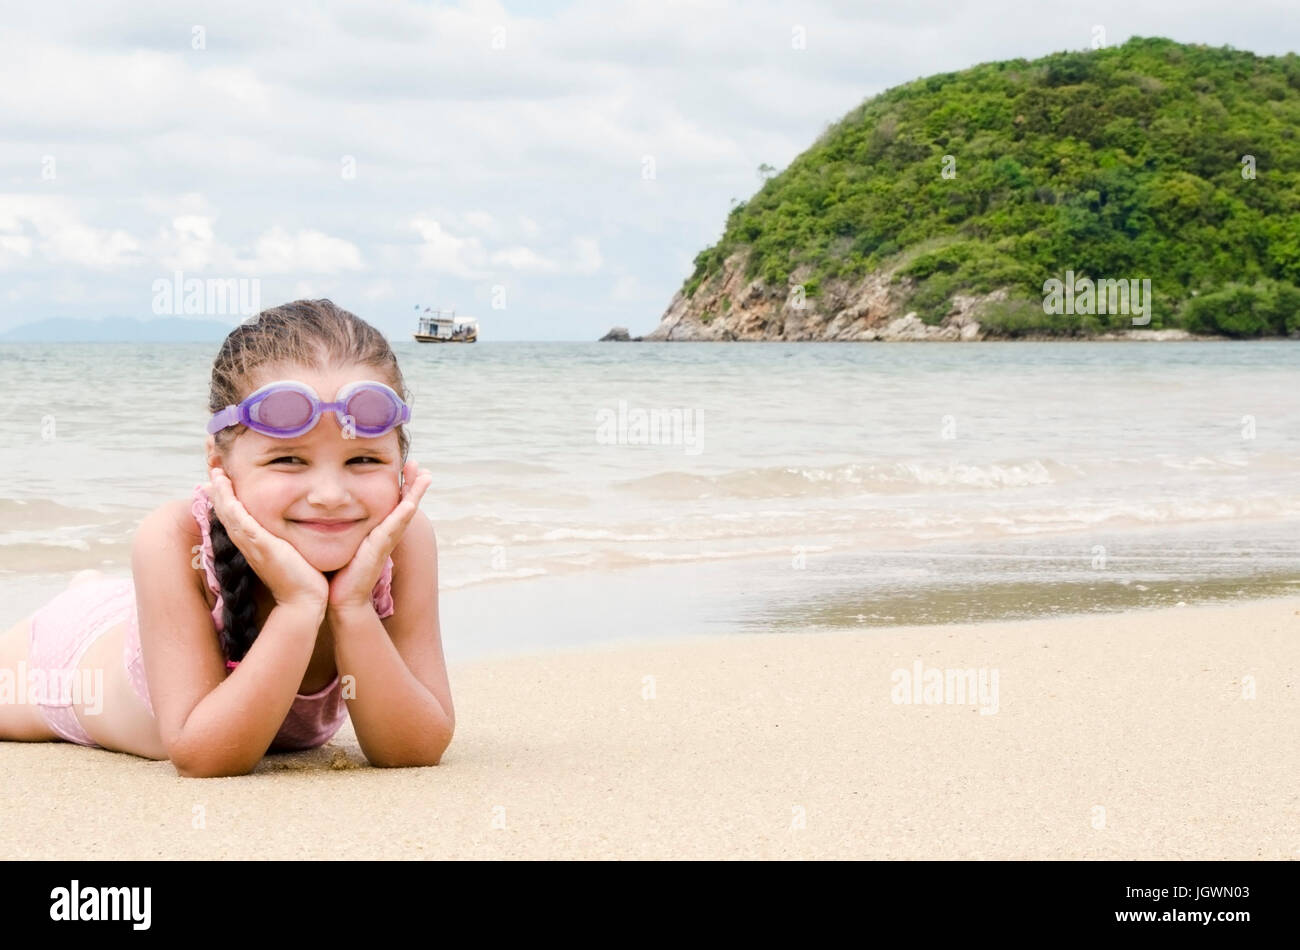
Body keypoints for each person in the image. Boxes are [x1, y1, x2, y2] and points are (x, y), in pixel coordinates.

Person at [0, 299, 453, 777]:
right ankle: (84, 593)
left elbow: (413, 749)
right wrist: (300, 607)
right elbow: (204, 756)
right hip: (67, 658)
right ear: (219, 465)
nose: (329, 495)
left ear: (401, 465)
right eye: (288, 460)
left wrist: (353, 606)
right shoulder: (174, 540)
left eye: (363, 460)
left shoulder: (402, 544)